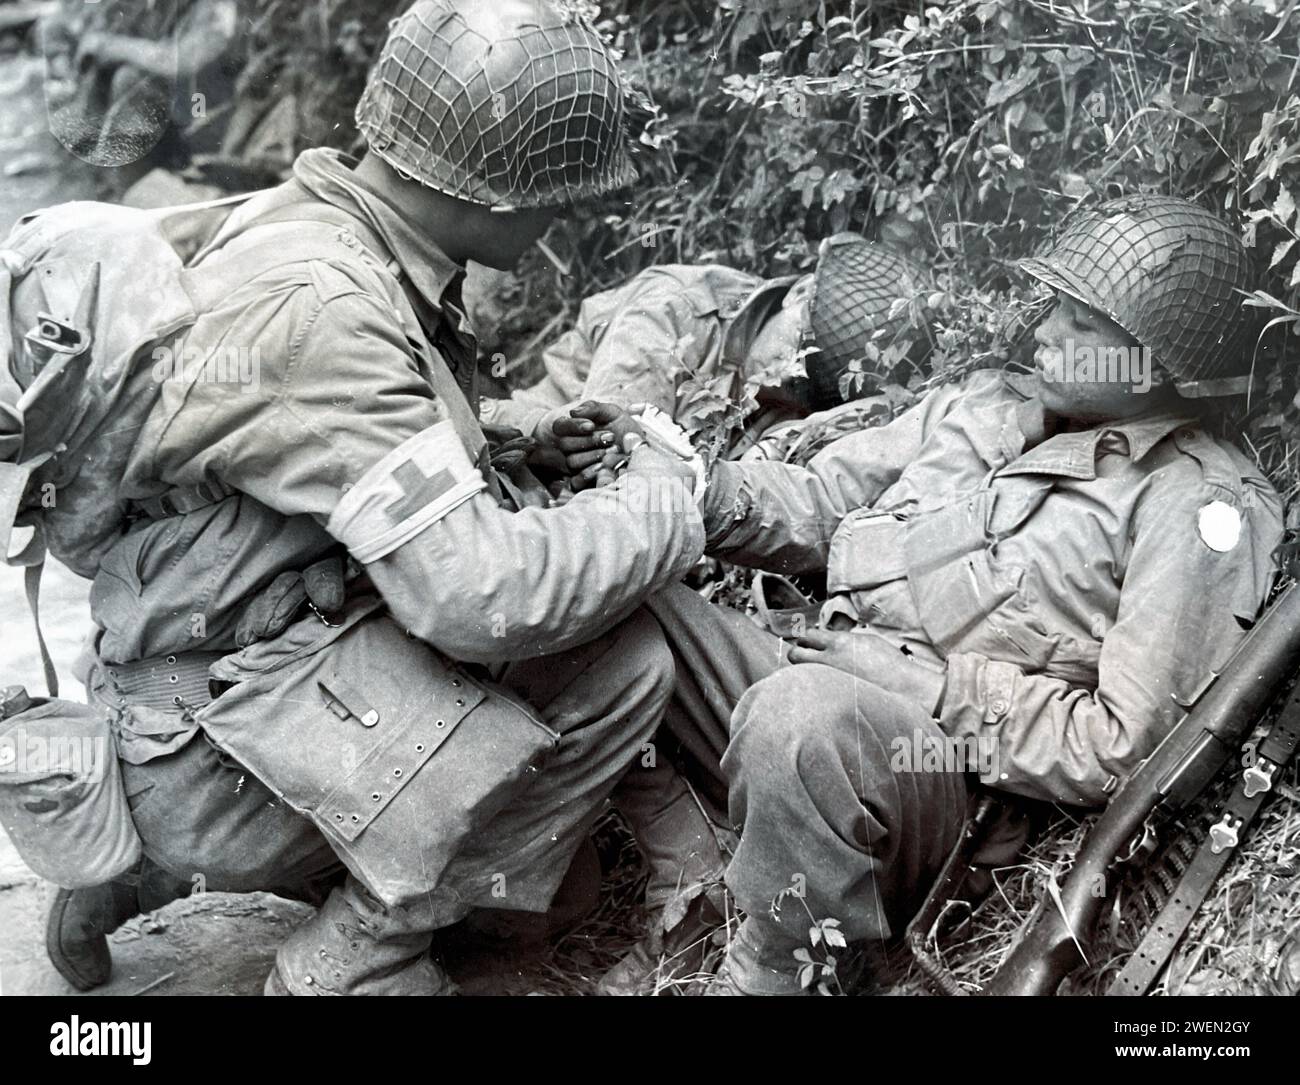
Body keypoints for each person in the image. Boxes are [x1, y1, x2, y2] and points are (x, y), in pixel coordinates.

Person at [37, 0, 708, 996]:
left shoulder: (306, 223)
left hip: (172, 686)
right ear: (495, 191)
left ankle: (131, 860)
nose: (566, 211)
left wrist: (504, 429)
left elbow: (320, 440)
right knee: (618, 664)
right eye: (557, 188)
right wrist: (664, 493)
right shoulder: (334, 310)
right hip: (214, 746)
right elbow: (482, 599)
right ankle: (360, 948)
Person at [581, 194, 1285, 994]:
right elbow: (819, 498)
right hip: (811, 681)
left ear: (1157, 363)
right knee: (604, 594)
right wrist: (684, 484)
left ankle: (779, 970)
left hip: (930, 780)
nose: (1048, 332)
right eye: (1056, 305)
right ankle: (693, 871)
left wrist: (935, 689)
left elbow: (1126, 747)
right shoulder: (985, 401)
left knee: (803, 719)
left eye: (1083, 325)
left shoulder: (1195, 505)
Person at [483, 234, 933, 468]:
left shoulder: (796, 399)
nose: (789, 377)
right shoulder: (676, 309)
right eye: (804, 350)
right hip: (524, 457)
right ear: (799, 293)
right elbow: (613, 450)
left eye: (815, 385)